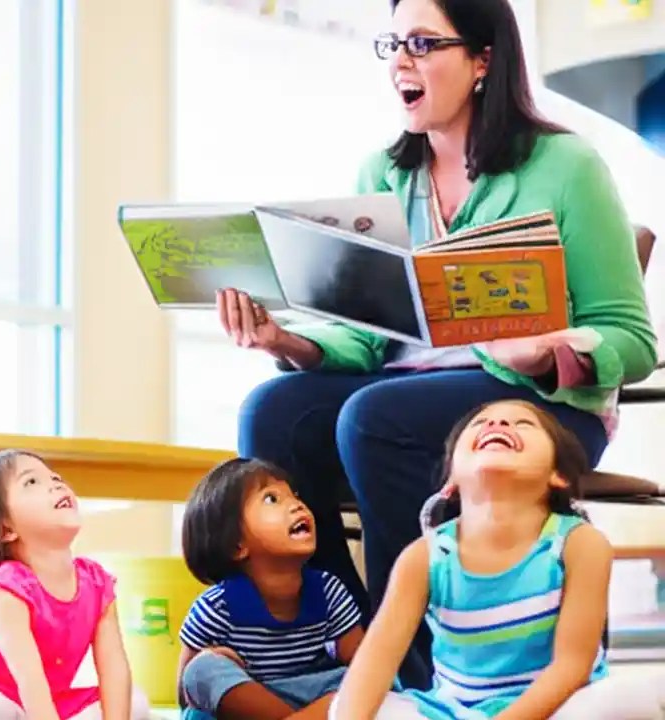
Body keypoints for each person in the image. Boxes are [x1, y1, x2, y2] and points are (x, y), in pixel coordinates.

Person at [216, 0, 656, 685]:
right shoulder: (383, 177)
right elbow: (365, 342)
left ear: (483, 60)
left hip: (536, 400)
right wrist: (286, 340)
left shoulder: (565, 166)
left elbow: (630, 339)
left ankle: (419, 669)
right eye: (393, 42)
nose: (400, 60)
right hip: (402, 389)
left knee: (374, 418)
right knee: (271, 410)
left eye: (422, 43)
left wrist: (550, 350)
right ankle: (341, 640)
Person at [329, 400, 665, 718]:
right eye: (479, 423)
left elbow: (572, 666)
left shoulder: (579, 543)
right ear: (452, 482)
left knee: (641, 698)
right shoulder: (424, 557)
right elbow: (377, 659)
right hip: (455, 712)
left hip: (559, 706)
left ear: (557, 476)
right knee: (348, 705)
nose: (497, 422)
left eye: (523, 423)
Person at [0, 450, 152, 720]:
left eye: (55, 477)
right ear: (5, 529)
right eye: (31, 482)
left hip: (49, 701)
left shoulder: (96, 583)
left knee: (135, 702)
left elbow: (114, 668)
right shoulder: (5, 586)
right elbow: (28, 676)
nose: (56, 484)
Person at [176, 458, 365, 720]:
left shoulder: (328, 591)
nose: (296, 505)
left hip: (310, 699)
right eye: (272, 499)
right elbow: (186, 693)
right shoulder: (217, 607)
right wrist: (213, 660)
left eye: (294, 496)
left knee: (363, 678)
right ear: (236, 545)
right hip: (247, 706)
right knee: (202, 670)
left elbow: (363, 661)